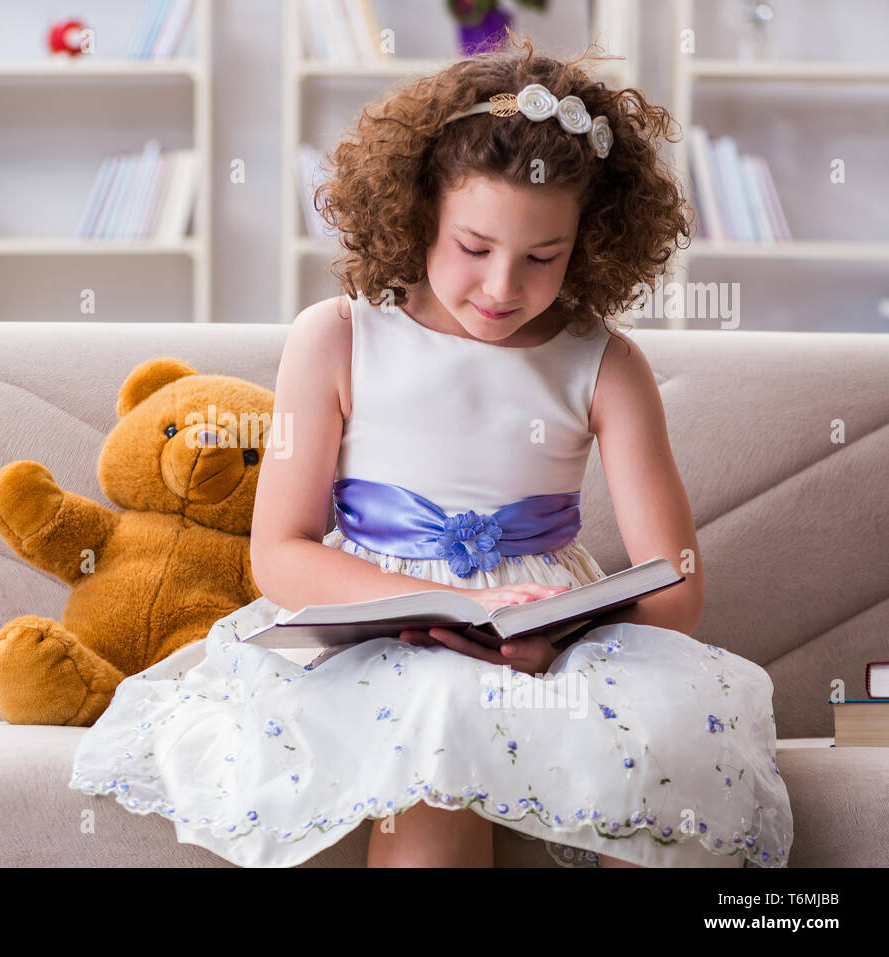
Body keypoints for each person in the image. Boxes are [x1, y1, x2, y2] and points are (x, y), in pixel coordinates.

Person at [68, 32, 793, 869]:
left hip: (558, 644)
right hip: (382, 625)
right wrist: (430, 601)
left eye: (542, 258)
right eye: (474, 249)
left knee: (661, 803)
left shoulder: (608, 364)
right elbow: (280, 552)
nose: (501, 287)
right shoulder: (335, 339)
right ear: (419, 215)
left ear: (589, 242)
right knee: (428, 797)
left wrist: (565, 637)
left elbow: (677, 583)